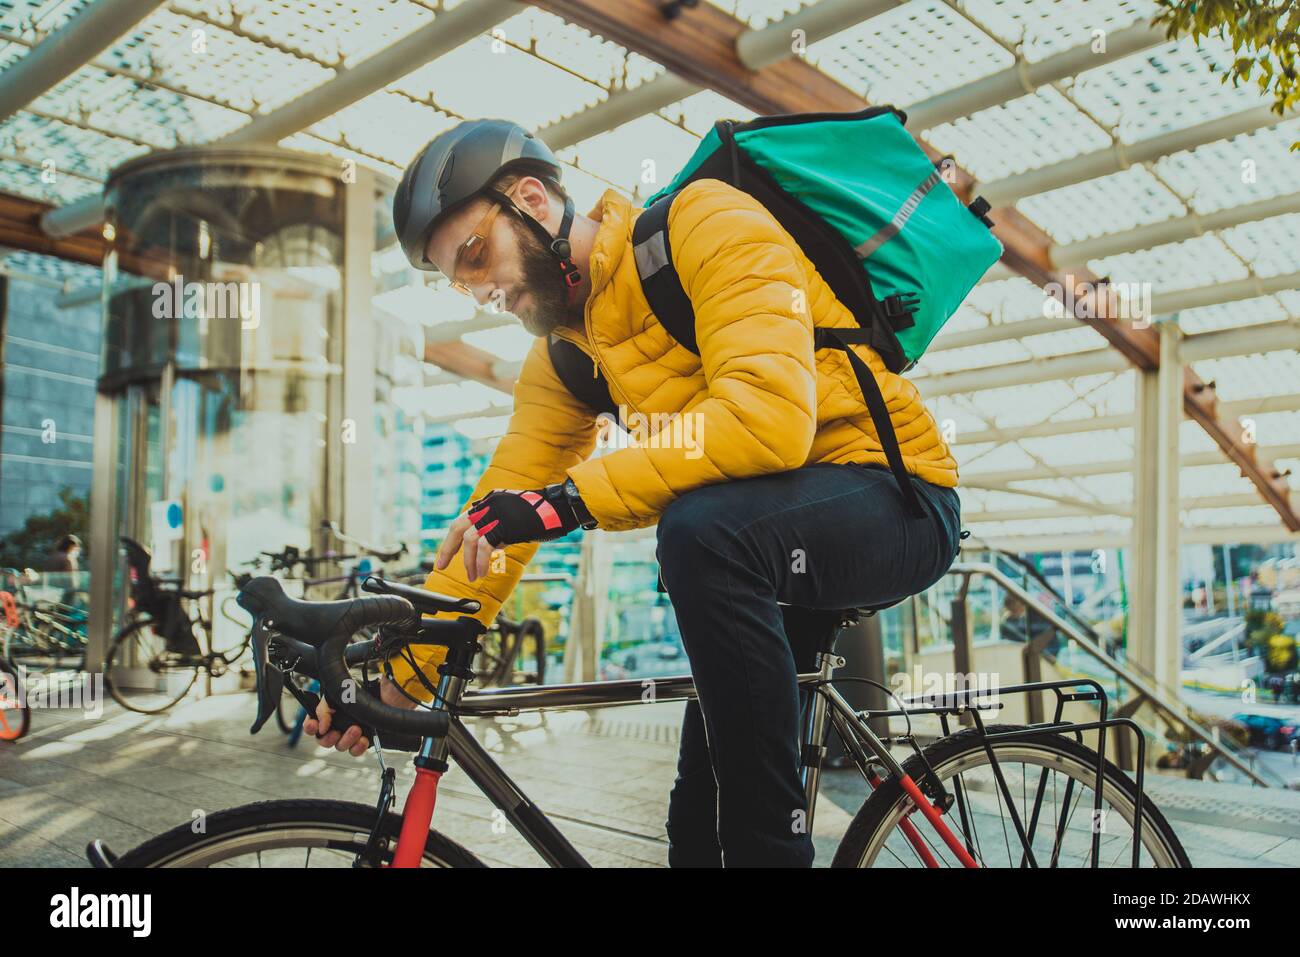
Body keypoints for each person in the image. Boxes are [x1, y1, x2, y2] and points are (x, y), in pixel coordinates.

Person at [306, 118, 962, 866]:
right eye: (459, 280)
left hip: (893, 491)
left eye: (477, 255)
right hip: (765, 543)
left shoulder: (708, 221)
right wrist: (396, 679)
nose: (480, 291)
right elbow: (492, 518)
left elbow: (767, 417)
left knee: (698, 532)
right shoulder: (564, 360)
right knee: (694, 830)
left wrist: (565, 501)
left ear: (533, 199)